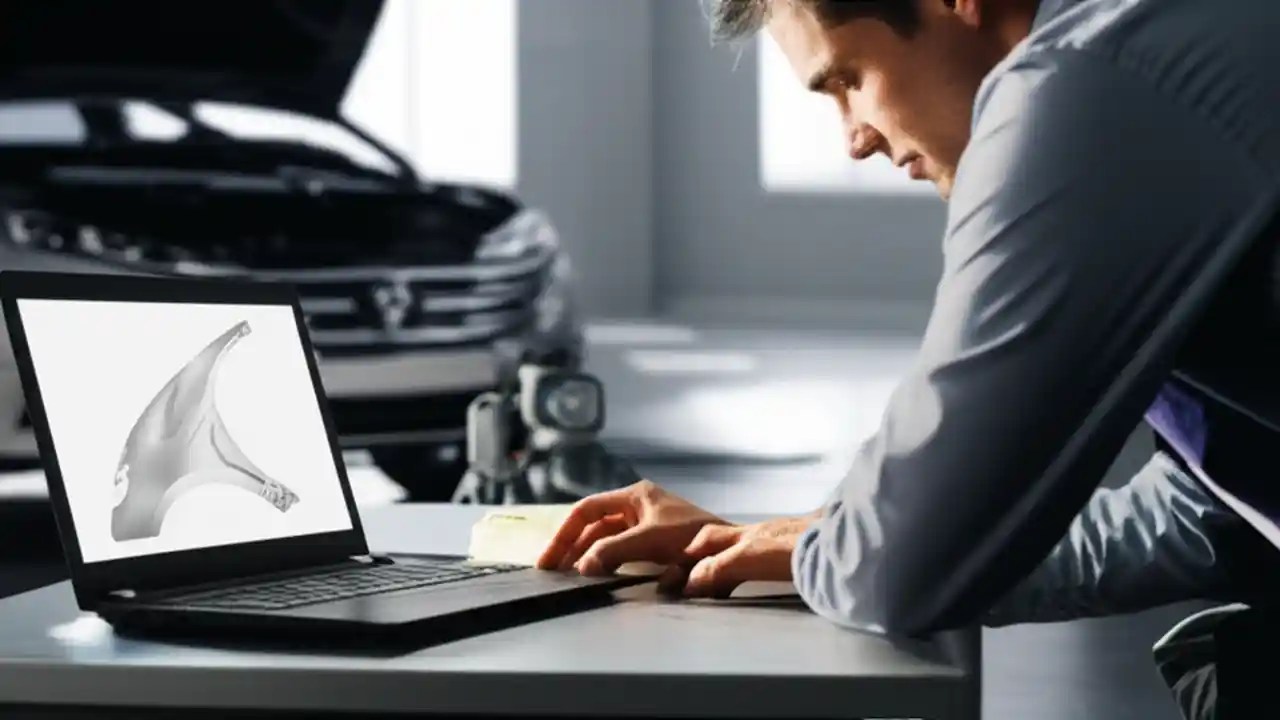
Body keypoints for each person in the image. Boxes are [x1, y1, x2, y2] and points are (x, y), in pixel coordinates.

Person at [535, 0, 1280, 716]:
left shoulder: (1093, 85)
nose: (854, 139)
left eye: (849, 79)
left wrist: (857, 549)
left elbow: (899, 572)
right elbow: (1214, 513)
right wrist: (810, 544)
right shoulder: (1164, 46)